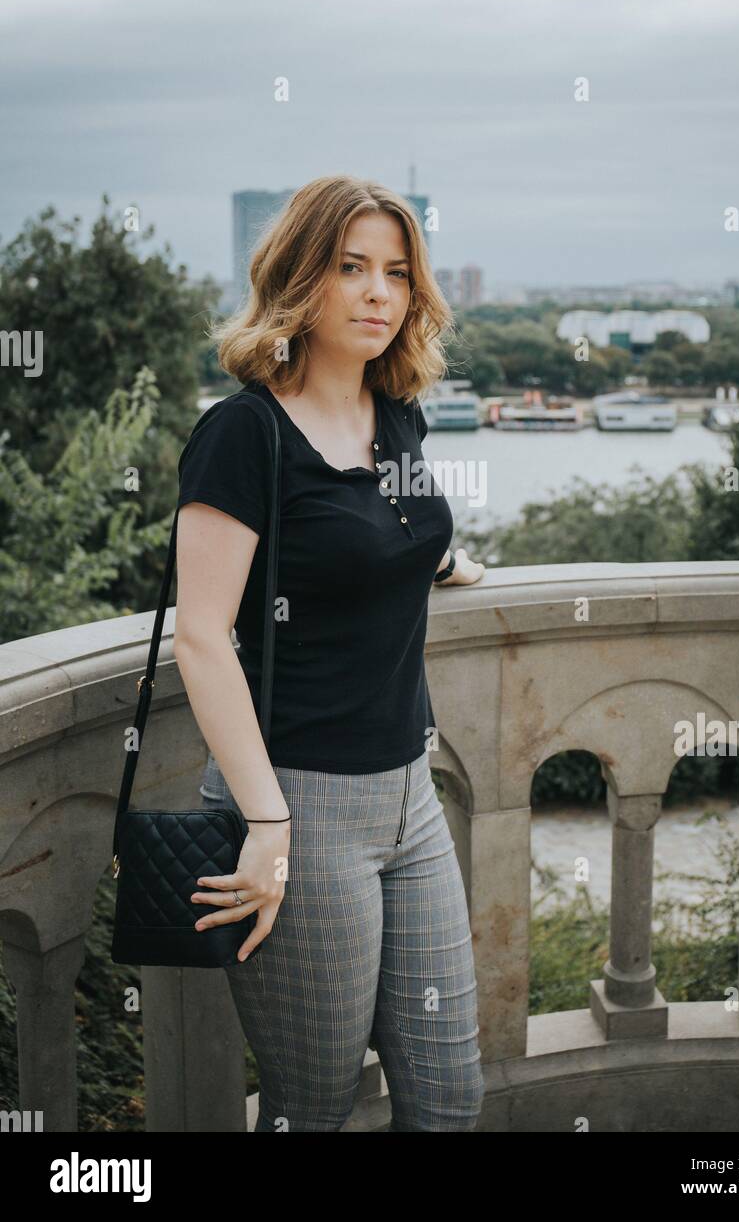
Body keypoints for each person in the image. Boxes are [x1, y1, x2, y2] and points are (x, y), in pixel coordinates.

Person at [173, 174, 486, 1132]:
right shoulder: (244, 435)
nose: (377, 293)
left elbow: (369, 533)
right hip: (302, 807)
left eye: (396, 272)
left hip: (410, 798)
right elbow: (201, 635)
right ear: (301, 280)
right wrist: (267, 825)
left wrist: (439, 560)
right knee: (313, 1107)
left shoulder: (396, 417)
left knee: (447, 1098)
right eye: (351, 268)